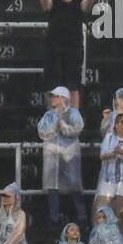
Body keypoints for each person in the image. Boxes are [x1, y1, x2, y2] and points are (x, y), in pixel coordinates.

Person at [36, 0, 99, 108]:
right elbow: (45, 5)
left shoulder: (78, 2)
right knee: (53, 85)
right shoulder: (54, 1)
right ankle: (52, 116)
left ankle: (74, 117)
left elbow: (87, 6)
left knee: (73, 86)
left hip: (73, 51)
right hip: (54, 51)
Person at [37, 85, 86, 227]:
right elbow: (42, 131)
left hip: (70, 153)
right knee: (52, 186)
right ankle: (54, 218)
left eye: (55, 96)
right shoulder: (49, 115)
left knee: (75, 185)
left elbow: (77, 128)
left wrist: (63, 126)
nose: (52, 99)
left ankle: (81, 216)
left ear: (63, 98)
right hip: (52, 153)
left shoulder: (73, 113)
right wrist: (55, 128)